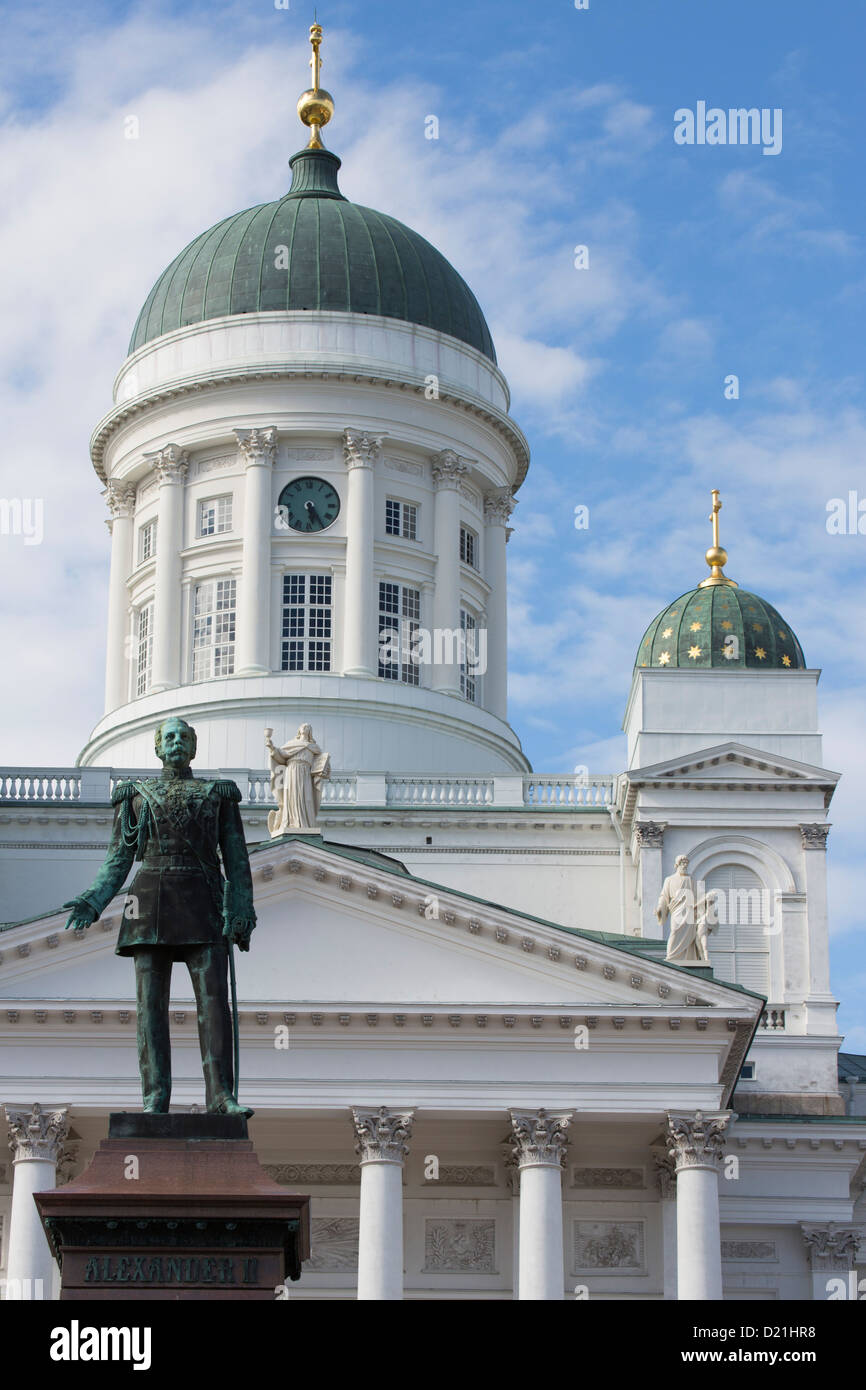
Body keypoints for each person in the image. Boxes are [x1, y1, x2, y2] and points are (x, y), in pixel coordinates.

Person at [62, 717, 255, 1115]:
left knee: (215, 1003)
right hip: (150, 901)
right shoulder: (135, 795)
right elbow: (118, 859)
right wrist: (94, 900)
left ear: (193, 747)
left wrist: (241, 908)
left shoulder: (218, 794)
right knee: (151, 1006)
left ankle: (221, 1096)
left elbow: (237, 860)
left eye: (183, 737)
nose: (176, 742)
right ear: (157, 747)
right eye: (169, 737)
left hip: (204, 898)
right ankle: (155, 1097)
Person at [264, 724, 330, 835]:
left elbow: (320, 764)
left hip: (305, 774)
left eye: (308, 727)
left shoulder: (314, 748)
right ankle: (290, 822)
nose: (306, 727)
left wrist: (324, 769)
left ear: (310, 732)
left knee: (306, 797)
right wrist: (272, 748)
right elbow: (280, 758)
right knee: (292, 796)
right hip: (292, 771)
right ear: (299, 730)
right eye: (303, 726)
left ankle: (306, 823)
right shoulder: (291, 745)